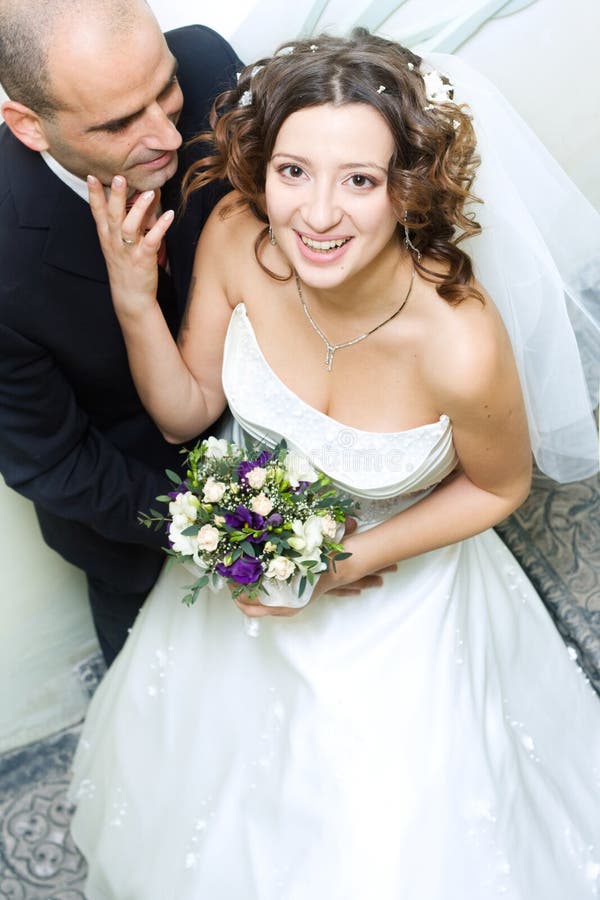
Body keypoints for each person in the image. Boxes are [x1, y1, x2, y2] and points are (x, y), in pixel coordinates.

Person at [69, 31, 600, 899]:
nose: (317, 215)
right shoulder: (239, 237)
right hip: (246, 587)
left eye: (360, 179)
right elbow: (187, 412)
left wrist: (345, 560)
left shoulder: (458, 341)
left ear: (407, 188)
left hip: (402, 607)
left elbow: (499, 485)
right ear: (262, 169)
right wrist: (135, 301)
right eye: (293, 172)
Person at [0, 0, 241, 664]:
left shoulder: (209, 63)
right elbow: (49, 459)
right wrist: (227, 530)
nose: (166, 134)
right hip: (134, 528)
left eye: (165, 88)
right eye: (119, 123)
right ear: (29, 127)